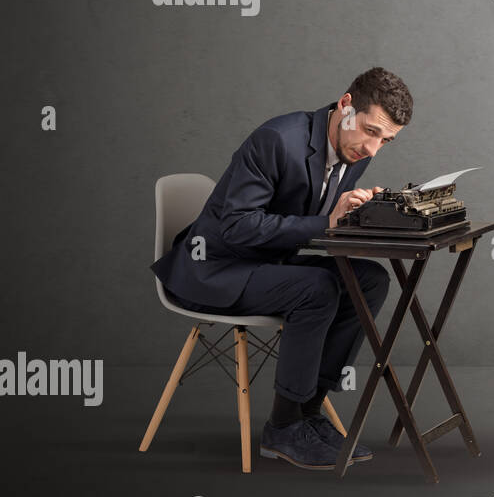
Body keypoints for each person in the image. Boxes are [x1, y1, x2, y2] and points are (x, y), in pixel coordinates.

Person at [150, 67, 414, 469]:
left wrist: (362, 215)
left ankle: (308, 411)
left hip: (270, 264)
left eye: (386, 141)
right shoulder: (277, 140)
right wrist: (329, 221)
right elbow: (237, 227)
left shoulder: (352, 149)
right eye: (371, 131)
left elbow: (315, 214)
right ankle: (283, 427)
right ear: (345, 106)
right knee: (318, 288)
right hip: (215, 269)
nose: (373, 149)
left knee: (371, 280)